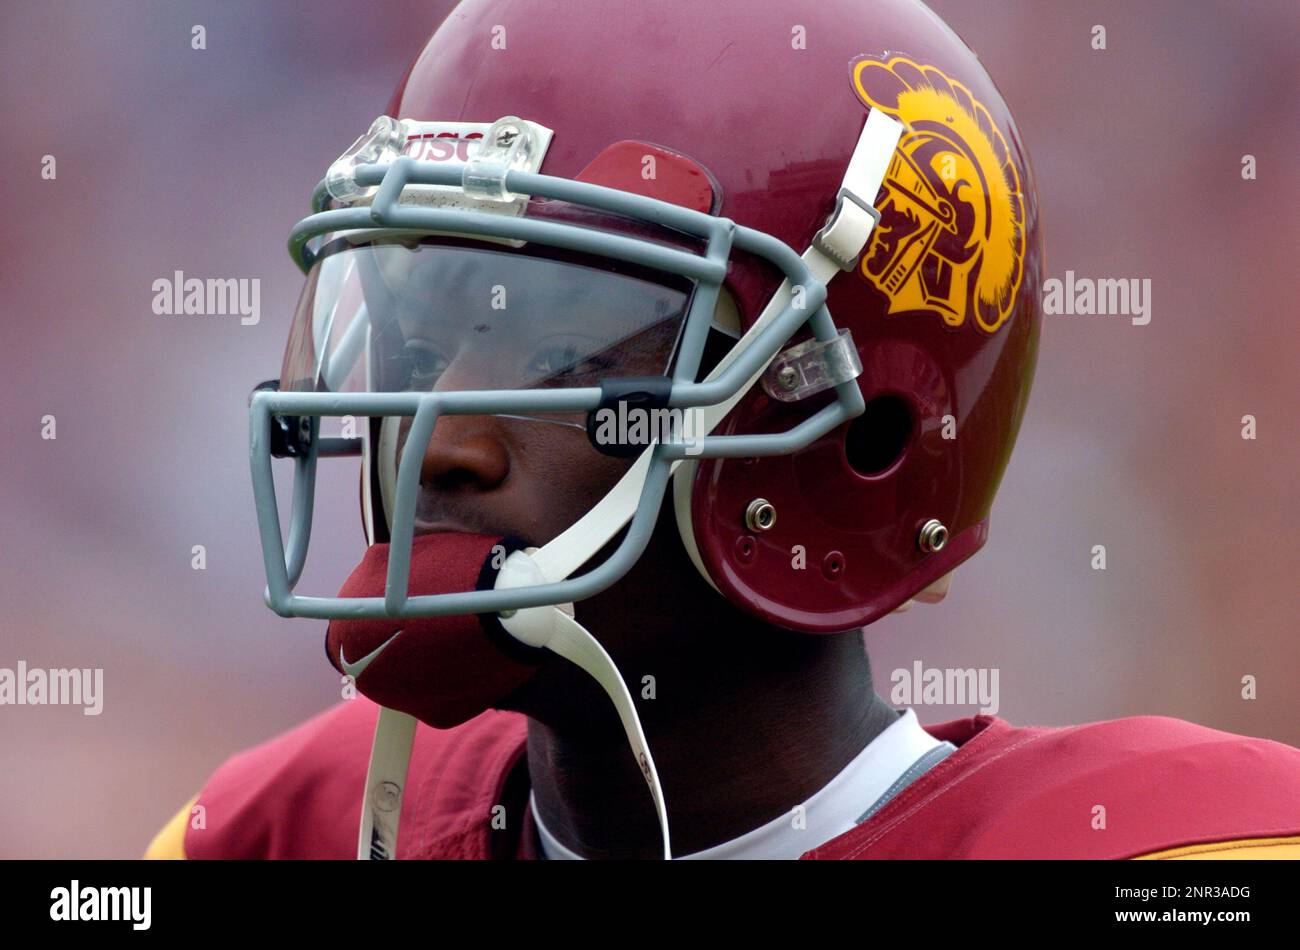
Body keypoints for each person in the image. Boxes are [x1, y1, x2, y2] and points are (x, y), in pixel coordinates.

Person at [146, 0, 1300, 860]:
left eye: (565, 346)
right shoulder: (277, 829)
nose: (442, 439)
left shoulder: (1182, 861)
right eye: (422, 327)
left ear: (862, 438)